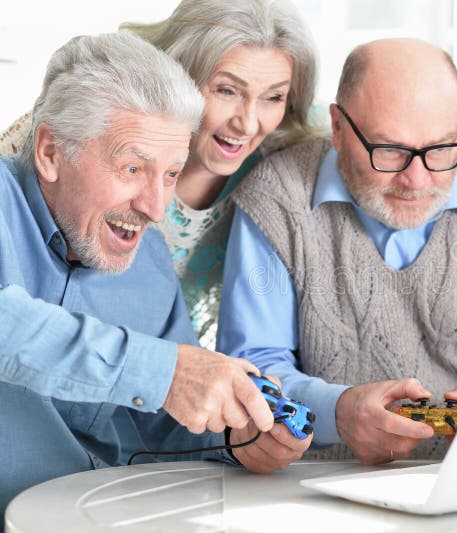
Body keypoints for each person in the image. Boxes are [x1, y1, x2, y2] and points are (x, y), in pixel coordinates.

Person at [0, 0, 457, 350]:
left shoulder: (282, 143)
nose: (247, 122)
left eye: (273, 97)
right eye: (226, 90)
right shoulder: (65, 140)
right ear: (180, 76)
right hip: (59, 345)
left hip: (171, 379)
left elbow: (382, 125)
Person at [216, 38, 457, 465]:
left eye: (439, 148)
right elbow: (252, 369)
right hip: (311, 492)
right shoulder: (278, 198)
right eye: (390, 151)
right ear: (339, 130)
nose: (417, 180)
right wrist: (337, 413)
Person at [0, 32, 278, 522]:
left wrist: (235, 432)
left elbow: (162, 422)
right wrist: (164, 370)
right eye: (132, 168)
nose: (155, 207)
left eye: (171, 174)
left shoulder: (148, 260)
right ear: (49, 152)